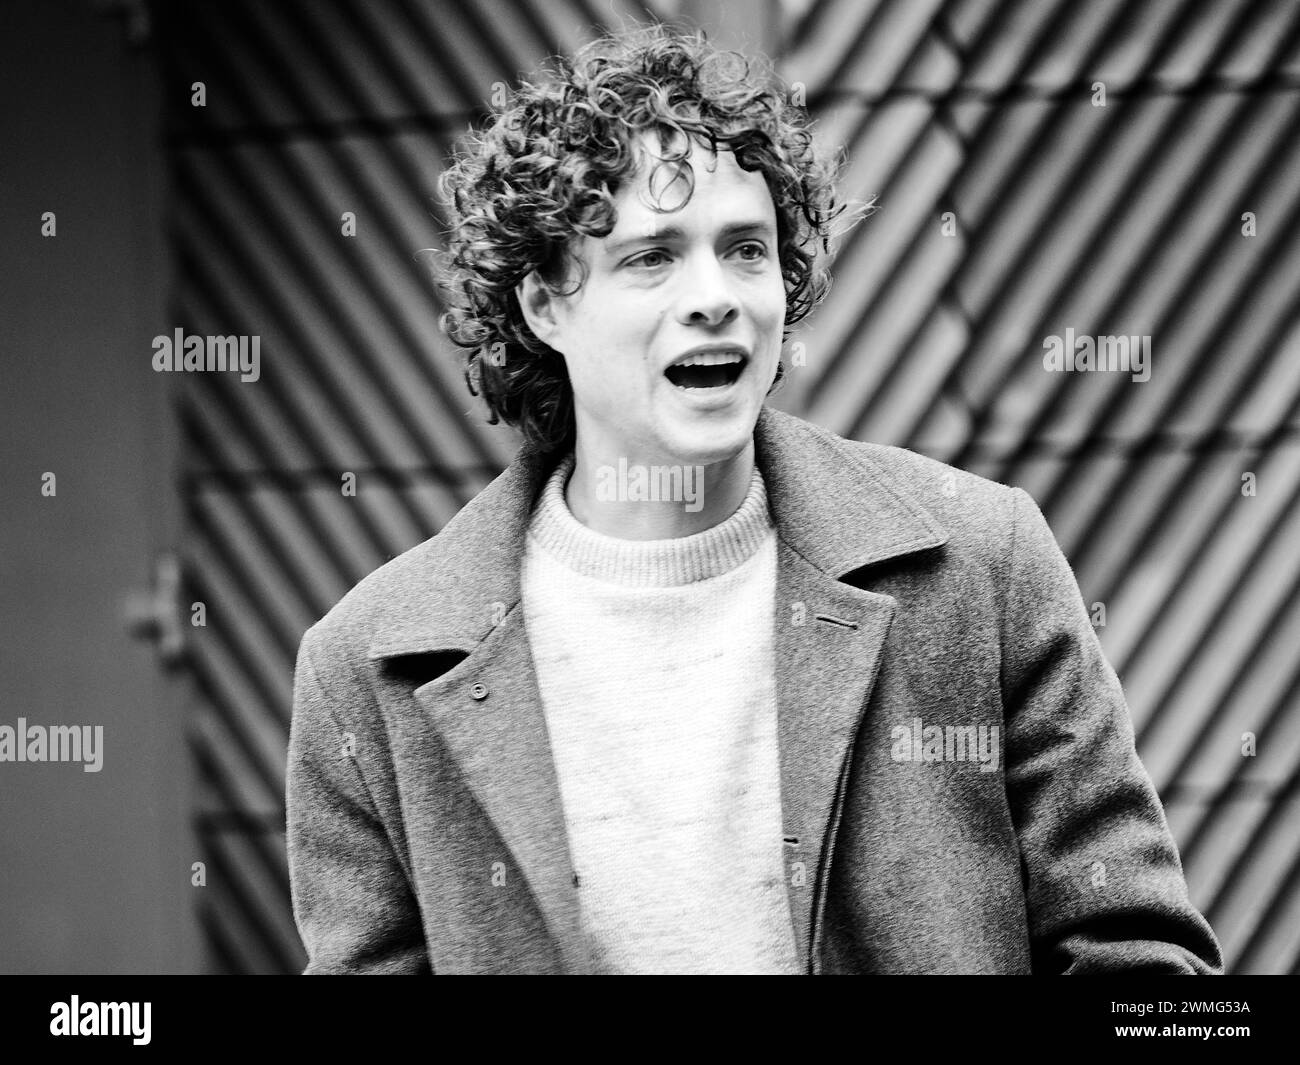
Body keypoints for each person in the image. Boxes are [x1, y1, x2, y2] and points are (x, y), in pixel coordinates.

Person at [285, 24, 1222, 974]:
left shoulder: (980, 564)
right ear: (544, 305)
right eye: (652, 256)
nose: (715, 297)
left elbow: (1141, 959)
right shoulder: (367, 668)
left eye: (745, 249)